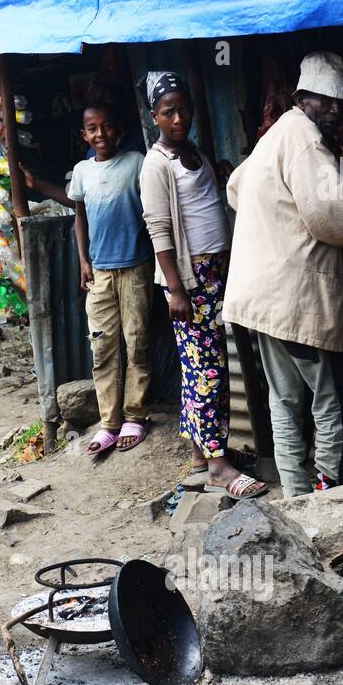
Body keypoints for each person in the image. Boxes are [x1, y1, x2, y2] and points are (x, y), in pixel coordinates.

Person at [223, 52, 343, 497]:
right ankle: (329, 493)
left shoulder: (276, 134)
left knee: (285, 399)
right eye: (327, 102)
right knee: (334, 399)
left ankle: (295, 494)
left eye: (340, 104)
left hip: (262, 298)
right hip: (294, 299)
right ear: (304, 97)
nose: (335, 111)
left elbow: (236, 188)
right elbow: (334, 218)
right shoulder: (306, 141)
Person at [140, 71, 267, 500]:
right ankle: (217, 467)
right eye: (168, 111)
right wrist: (176, 289)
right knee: (207, 373)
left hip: (213, 273)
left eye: (183, 109)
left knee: (203, 369)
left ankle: (202, 454)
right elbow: (159, 230)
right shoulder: (156, 164)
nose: (178, 118)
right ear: (154, 116)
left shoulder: (193, 153)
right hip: (189, 280)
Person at [23, 102, 154, 456]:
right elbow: (79, 216)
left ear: (119, 128)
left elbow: (153, 210)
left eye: (106, 126)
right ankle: (109, 422)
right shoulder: (81, 171)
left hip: (137, 266)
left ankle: (135, 415)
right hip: (99, 271)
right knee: (102, 346)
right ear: (84, 135)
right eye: (92, 129)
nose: (100, 134)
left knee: (137, 342)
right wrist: (83, 260)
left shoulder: (136, 163)